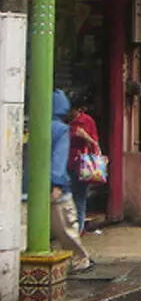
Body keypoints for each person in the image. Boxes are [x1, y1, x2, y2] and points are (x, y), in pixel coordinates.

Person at [51, 89, 91, 271]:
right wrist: (57, 183)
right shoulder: (61, 130)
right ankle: (80, 260)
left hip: (30, 189)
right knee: (67, 228)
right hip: (58, 186)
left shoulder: (32, 126)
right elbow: (58, 159)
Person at [67, 94, 101, 233]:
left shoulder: (87, 121)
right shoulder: (65, 122)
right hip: (67, 163)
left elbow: (95, 144)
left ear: (78, 109)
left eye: (72, 110)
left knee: (79, 197)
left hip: (82, 165)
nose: (69, 113)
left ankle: (79, 228)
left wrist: (85, 137)